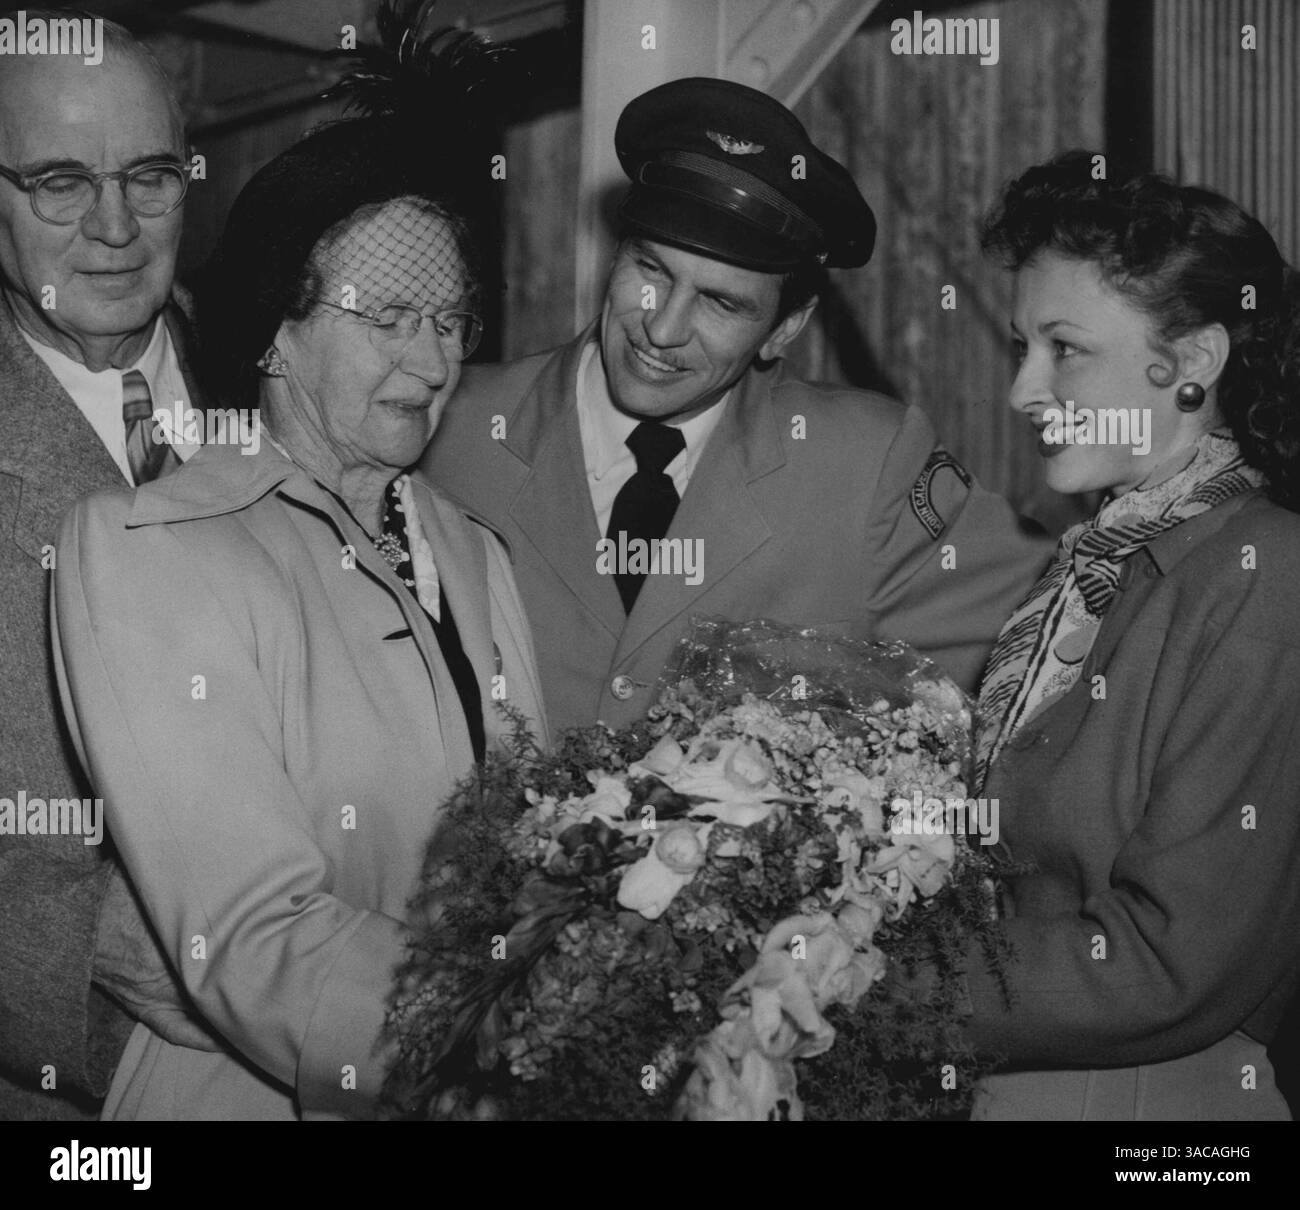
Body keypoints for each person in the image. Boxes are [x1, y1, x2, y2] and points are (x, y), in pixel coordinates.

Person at [50, 33, 547, 1119]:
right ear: (277, 329)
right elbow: (254, 936)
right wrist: (522, 1047)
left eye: (450, 318)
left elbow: (539, 850)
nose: (433, 364)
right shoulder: (151, 550)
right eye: (386, 319)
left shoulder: (473, 549)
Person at [422, 77, 1053, 734]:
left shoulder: (865, 467)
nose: (662, 329)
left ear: (784, 327)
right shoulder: (450, 427)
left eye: (722, 303)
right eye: (651, 270)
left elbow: (1063, 625)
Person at [959, 151, 1300, 1120]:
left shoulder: (1262, 574)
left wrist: (862, 976)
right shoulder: (1094, 567)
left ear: (1191, 360)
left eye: (1063, 347)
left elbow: (1164, 962)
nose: (1025, 390)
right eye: (1021, 347)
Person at [0, 17, 214, 1121]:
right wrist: (77, 937)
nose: (117, 226)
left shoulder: (295, 377)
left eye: (150, 175)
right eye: (60, 181)